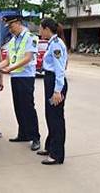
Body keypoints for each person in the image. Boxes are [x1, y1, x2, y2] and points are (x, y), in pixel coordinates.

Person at [0, 15, 41, 151]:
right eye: (8, 27)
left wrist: (10, 69)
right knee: (18, 107)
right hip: (15, 77)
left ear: (18, 23)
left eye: (11, 26)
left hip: (26, 77)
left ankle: (35, 137)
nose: (10, 29)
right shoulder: (12, 41)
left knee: (28, 107)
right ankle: (23, 134)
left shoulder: (30, 38)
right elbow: (8, 60)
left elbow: (28, 58)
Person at [37, 18, 68, 165]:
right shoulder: (52, 43)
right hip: (50, 81)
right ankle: (50, 147)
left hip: (55, 83)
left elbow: (60, 69)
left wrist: (57, 91)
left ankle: (56, 154)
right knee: (50, 116)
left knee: (56, 118)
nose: (39, 31)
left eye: (40, 28)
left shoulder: (56, 45)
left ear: (46, 29)